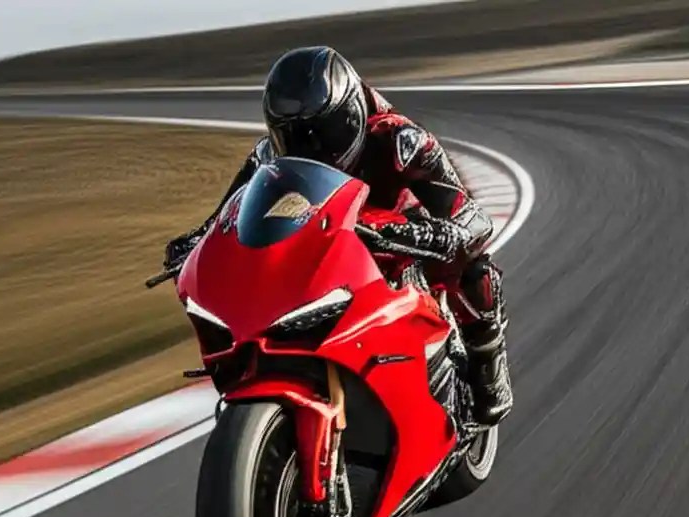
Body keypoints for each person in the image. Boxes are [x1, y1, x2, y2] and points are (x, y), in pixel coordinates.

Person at [164, 46, 512, 426]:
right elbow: (227, 214)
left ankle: (488, 362)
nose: (311, 149)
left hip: (401, 226)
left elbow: (472, 217)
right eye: (293, 139)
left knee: (475, 267)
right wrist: (196, 241)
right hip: (328, 229)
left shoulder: (400, 139)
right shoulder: (267, 153)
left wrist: (442, 234)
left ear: (350, 116)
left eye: (323, 135)